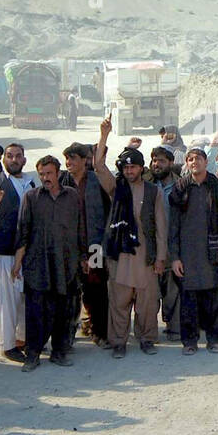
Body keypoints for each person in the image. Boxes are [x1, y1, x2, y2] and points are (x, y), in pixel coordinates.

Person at [168, 147, 218, 354]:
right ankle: (190, 342)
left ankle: (214, 339)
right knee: (189, 298)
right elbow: (173, 226)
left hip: (216, 252)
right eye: (191, 159)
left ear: (206, 162)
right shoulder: (180, 188)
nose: (195, 162)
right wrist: (175, 257)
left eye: (199, 158)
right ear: (187, 163)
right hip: (188, 254)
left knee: (217, 297)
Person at [12, 156, 86, 369]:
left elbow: (80, 227)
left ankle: (59, 352)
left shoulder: (71, 196)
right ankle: (33, 354)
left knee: (64, 309)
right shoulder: (31, 198)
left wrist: (83, 257)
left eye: (49, 174)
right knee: (36, 310)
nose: (45, 178)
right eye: (42, 174)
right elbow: (23, 231)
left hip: (66, 262)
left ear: (58, 174)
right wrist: (18, 262)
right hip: (38, 263)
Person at [104, 147, 168, 357]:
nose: (129, 171)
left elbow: (160, 226)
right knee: (119, 301)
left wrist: (160, 258)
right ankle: (118, 342)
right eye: (126, 167)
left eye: (133, 167)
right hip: (121, 253)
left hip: (145, 255)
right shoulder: (116, 187)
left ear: (141, 168)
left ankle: (147, 339)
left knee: (147, 302)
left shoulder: (153, 191)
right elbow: (98, 167)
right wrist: (104, 136)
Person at [0, 143, 39, 362]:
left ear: (24, 160)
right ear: (4, 160)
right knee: (5, 299)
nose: (14, 160)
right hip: (3, 251)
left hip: (27, 251)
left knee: (24, 297)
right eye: (10, 156)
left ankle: (22, 340)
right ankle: (7, 344)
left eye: (18, 156)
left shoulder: (30, 182)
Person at [63, 121, 116, 346]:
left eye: (73, 159)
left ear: (84, 160)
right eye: (67, 159)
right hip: (70, 247)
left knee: (97, 289)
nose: (69, 163)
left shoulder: (96, 180)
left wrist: (103, 135)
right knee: (70, 291)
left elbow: (106, 214)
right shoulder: (62, 182)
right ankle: (67, 335)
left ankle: (100, 332)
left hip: (95, 246)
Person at [149, 146, 181, 342]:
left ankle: (174, 328)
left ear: (170, 163)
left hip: (173, 247)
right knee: (150, 294)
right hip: (150, 248)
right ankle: (148, 331)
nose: (156, 164)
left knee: (173, 291)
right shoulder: (146, 184)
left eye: (161, 161)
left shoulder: (181, 185)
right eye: (154, 160)